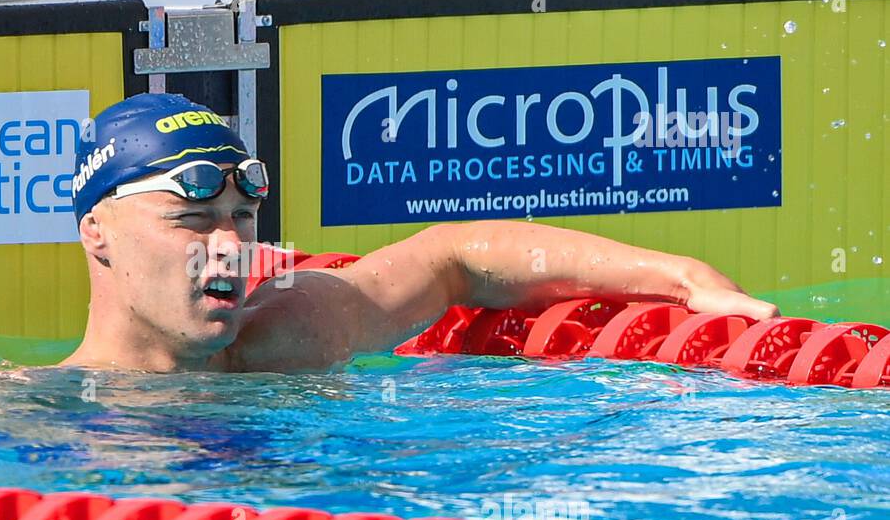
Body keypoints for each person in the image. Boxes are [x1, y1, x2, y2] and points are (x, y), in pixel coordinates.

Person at [59, 93, 778, 373]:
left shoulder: (289, 335)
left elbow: (453, 256)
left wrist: (684, 279)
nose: (228, 246)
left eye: (241, 218)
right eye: (191, 220)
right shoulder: (38, 416)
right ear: (98, 233)